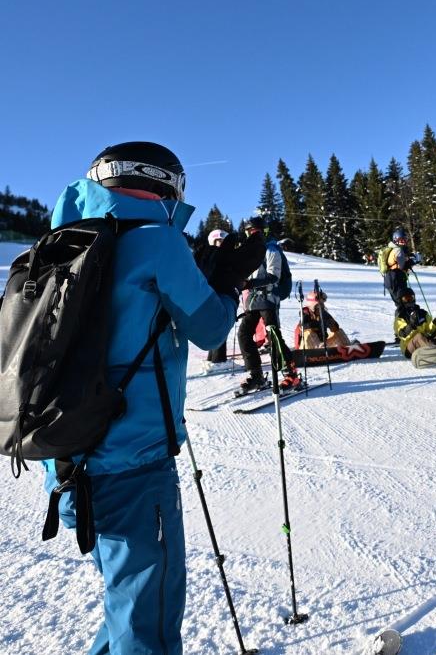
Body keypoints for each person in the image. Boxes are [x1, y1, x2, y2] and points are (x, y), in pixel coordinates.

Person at [45, 142, 261, 654]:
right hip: (134, 469)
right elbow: (210, 330)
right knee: (149, 626)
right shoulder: (157, 243)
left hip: (66, 463)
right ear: (167, 186)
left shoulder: (59, 243)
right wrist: (228, 280)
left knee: (129, 607)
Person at [237, 216, 301, 393]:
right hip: (252, 300)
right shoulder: (249, 251)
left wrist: (249, 284)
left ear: (264, 232)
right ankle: (256, 375)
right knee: (243, 334)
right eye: (250, 232)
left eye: (256, 231)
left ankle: (291, 374)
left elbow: (274, 277)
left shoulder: (271, 249)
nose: (252, 235)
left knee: (273, 337)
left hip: (268, 298)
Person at [393, 287, 436, 357]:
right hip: (409, 348)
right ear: (400, 301)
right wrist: (411, 325)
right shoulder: (400, 317)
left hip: (426, 342)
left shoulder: (422, 313)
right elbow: (402, 334)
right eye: (406, 299)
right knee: (419, 336)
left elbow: (430, 330)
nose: (410, 301)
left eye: (411, 298)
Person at [203, 228, 232, 370]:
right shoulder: (216, 256)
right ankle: (219, 360)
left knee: (216, 326)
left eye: (223, 241)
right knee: (221, 325)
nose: (221, 244)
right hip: (217, 294)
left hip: (214, 294)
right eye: (218, 241)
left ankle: (212, 358)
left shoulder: (209, 255)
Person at [382, 227, 420, 307]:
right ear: (396, 240)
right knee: (403, 304)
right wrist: (414, 261)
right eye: (401, 240)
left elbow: (400, 263)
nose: (404, 242)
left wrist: (410, 258)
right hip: (396, 280)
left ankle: (405, 318)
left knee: (402, 303)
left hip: (392, 279)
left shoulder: (395, 249)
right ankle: (404, 318)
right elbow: (402, 266)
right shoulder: (398, 250)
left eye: (405, 240)